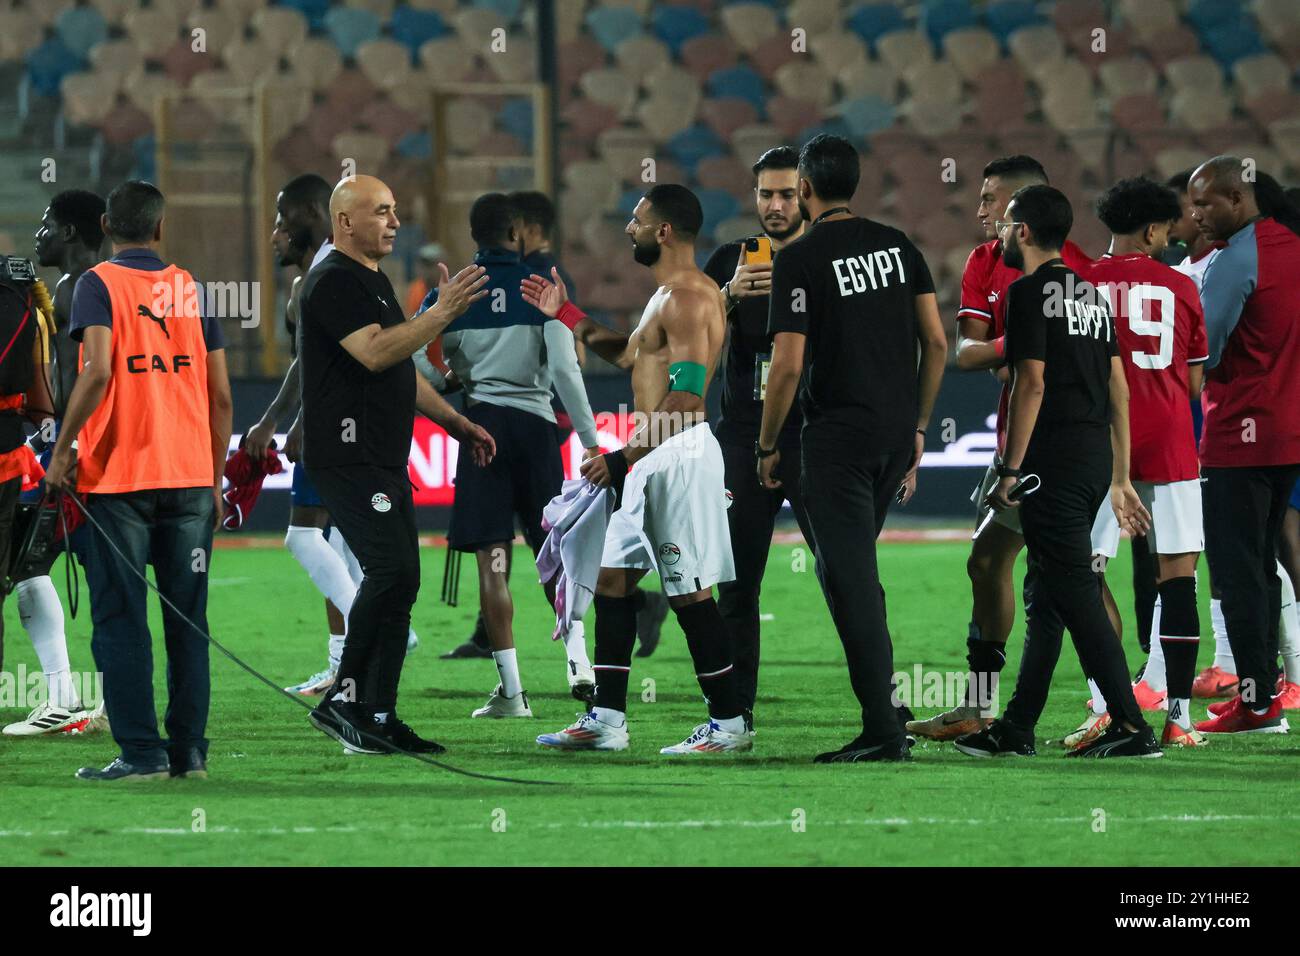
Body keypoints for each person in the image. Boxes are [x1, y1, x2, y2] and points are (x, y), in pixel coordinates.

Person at [524, 183, 751, 755]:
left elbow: (688, 399)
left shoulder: (691, 299)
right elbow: (629, 353)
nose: (630, 227)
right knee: (611, 579)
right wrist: (567, 313)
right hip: (649, 453)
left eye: (637, 219)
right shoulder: (666, 296)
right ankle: (607, 719)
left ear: (664, 231)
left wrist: (622, 457)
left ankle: (729, 726)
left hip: (676, 453)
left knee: (687, 592)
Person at [952, 184, 1159, 759]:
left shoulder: (1025, 294)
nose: (998, 233)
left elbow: (1031, 383)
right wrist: (1118, 475)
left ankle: (1130, 726)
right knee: (1047, 595)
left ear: (1022, 230)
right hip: (1092, 459)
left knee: (1074, 592)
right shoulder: (1089, 296)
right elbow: (1118, 386)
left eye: (1005, 223)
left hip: (1053, 464)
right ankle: (1016, 729)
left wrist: (1011, 469)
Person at [758, 134, 946, 763]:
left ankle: (884, 731)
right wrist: (918, 428)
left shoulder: (802, 259)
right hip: (894, 436)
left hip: (837, 439)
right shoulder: (900, 246)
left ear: (806, 189)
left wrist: (766, 445)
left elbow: (786, 366)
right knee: (847, 572)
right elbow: (937, 343)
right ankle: (885, 709)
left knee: (853, 579)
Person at [44, 180, 232, 781]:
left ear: (106, 225)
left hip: (120, 478)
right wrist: (215, 474)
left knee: (121, 620)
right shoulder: (191, 290)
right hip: (189, 480)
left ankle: (142, 755)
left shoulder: (97, 285)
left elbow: (96, 373)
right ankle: (190, 755)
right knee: (188, 622)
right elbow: (221, 396)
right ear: (159, 228)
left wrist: (64, 447)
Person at [299, 175, 493, 756]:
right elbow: (376, 350)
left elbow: (397, 366)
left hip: (379, 454)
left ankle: (377, 713)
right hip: (348, 454)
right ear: (344, 221)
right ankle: (346, 703)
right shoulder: (332, 278)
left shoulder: (370, 278)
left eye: (394, 210)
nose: (394, 221)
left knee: (401, 576)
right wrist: (441, 314)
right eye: (380, 211)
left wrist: (456, 423)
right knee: (390, 571)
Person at [908, 155, 1093, 741]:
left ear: (1023, 210)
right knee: (997, 563)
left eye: (992, 200)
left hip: (1062, 441)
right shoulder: (985, 262)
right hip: (1015, 438)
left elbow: (1090, 361)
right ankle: (984, 707)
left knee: (1072, 576)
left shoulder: (1080, 267)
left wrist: (1019, 349)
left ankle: (1108, 707)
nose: (982, 210)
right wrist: (1033, 341)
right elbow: (968, 351)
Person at [420, 192, 601, 715]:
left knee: (492, 561)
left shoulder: (455, 292)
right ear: (517, 233)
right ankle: (579, 663)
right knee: (553, 556)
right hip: (538, 433)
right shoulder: (540, 288)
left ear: (474, 236)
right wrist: (591, 443)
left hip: (482, 431)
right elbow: (567, 371)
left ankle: (512, 693)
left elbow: (413, 354)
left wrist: (446, 377)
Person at [243, 174, 420, 698]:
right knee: (346, 551)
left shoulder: (326, 276)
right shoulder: (343, 273)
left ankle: (372, 651)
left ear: (311, 218)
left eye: (281, 220)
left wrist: (288, 422)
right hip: (353, 438)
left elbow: (345, 359)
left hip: (342, 441)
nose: (274, 233)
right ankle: (346, 676)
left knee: (306, 538)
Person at [1079, 177, 1209, 748]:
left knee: (1087, 574)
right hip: (1174, 447)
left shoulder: (1080, 286)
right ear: (1154, 230)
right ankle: (1179, 717)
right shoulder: (1182, 284)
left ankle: (1108, 704)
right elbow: (1194, 381)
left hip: (1102, 452)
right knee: (1178, 583)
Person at [701, 145, 816, 720]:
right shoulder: (730, 259)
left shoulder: (827, 259)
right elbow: (686, 341)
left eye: (786, 194)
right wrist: (725, 298)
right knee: (737, 586)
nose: (775, 205)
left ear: (807, 194)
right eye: (766, 194)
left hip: (816, 438)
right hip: (743, 439)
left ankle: (881, 713)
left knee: (848, 581)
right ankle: (733, 715)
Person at [1189, 157, 1300, 735]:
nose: (1196, 215)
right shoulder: (1290, 244)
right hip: (1288, 433)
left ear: (1237, 196)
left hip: (1240, 434)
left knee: (1238, 572)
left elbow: (1201, 351)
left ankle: (1257, 705)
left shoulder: (1236, 260)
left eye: (1204, 204)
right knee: (1263, 563)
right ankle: (1266, 697)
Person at [2, 190, 105, 736]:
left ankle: (63, 699)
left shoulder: (74, 288)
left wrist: (56, 444)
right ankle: (112, 700)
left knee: (27, 565)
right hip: (102, 451)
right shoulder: (113, 283)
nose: (37, 235)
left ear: (68, 233)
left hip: (67, 455)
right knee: (110, 579)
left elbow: (77, 378)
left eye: (46, 225)